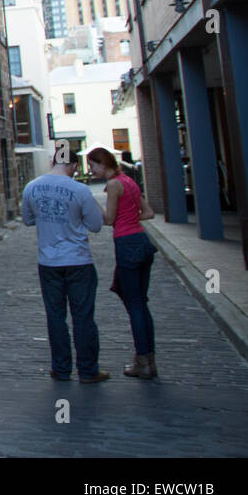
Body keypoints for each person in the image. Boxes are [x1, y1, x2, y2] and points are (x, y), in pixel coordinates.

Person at [21, 143, 109, 382]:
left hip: (48, 261)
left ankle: (61, 368)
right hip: (78, 260)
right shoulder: (79, 190)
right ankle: (88, 370)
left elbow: (27, 219)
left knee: (55, 316)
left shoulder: (32, 187)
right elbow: (96, 225)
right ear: (72, 166)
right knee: (83, 315)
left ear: (53, 162)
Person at [87, 146, 158, 379]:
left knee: (134, 305)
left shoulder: (114, 185)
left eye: (93, 165)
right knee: (141, 302)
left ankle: (142, 361)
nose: (91, 169)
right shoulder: (129, 181)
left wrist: (89, 200)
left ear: (102, 163)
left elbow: (108, 219)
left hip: (126, 244)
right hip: (142, 241)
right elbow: (148, 213)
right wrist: (130, 217)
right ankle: (149, 360)